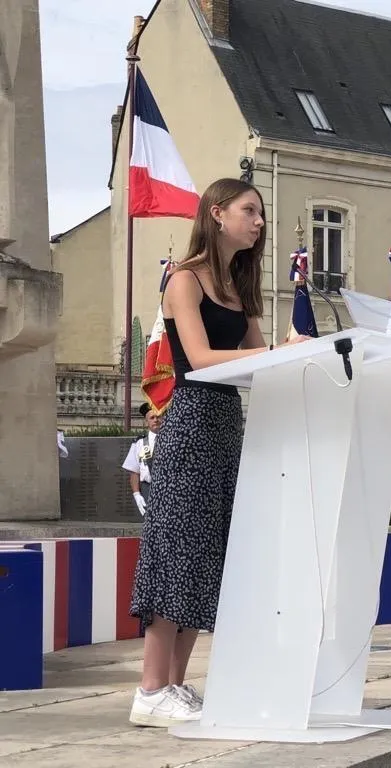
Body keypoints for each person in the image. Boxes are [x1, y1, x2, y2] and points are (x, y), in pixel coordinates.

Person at [128, 178, 311, 728]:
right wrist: (275, 351)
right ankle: (149, 688)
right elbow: (202, 357)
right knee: (177, 549)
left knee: (207, 555)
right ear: (216, 213)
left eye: (260, 213)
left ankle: (175, 685)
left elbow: (258, 360)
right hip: (190, 421)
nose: (259, 222)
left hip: (227, 423)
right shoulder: (184, 279)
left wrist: (298, 356)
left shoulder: (238, 287)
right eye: (249, 211)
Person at [122, 402, 164, 516]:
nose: (156, 420)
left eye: (158, 417)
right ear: (146, 422)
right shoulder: (139, 443)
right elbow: (134, 471)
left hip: (168, 490)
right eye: (152, 418)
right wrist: (136, 494)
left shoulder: (172, 441)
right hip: (147, 489)